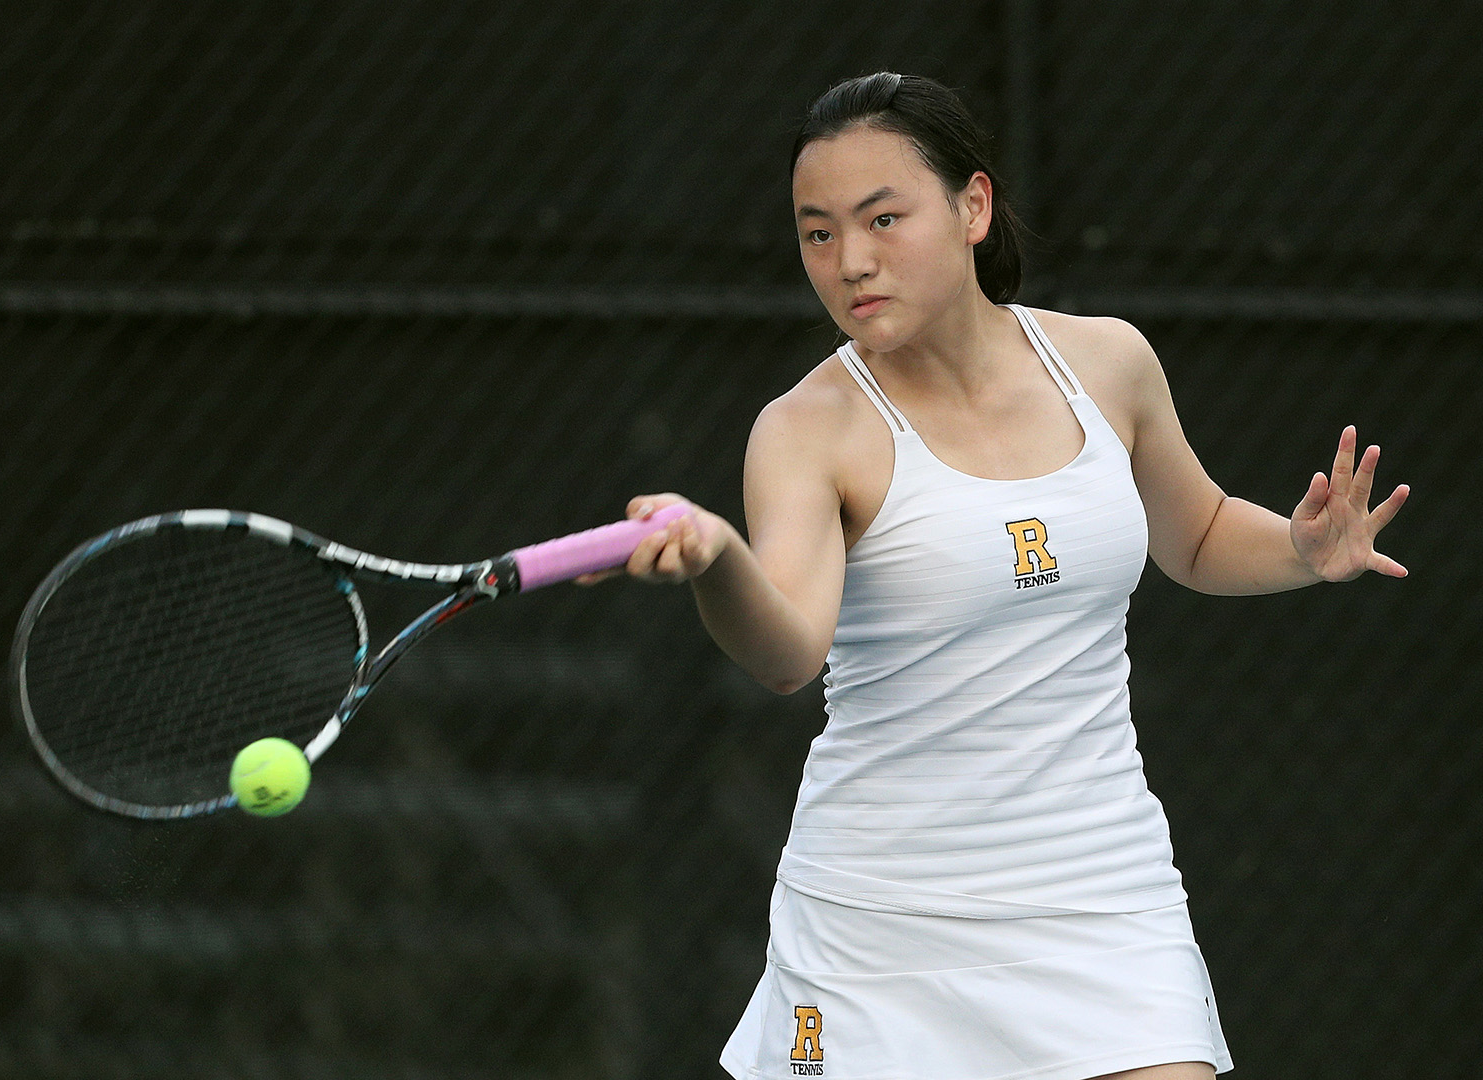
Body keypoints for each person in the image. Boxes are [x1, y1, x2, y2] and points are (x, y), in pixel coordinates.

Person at [594, 72, 1410, 1080]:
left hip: (1103, 895)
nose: (850, 261)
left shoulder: (1110, 364)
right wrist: (719, 558)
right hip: (881, 924)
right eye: (817, 233)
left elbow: (1195, 535)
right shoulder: (804, 430)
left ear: (972, 207)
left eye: (883, 219)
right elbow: (787, 653)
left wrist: (1299, 549)